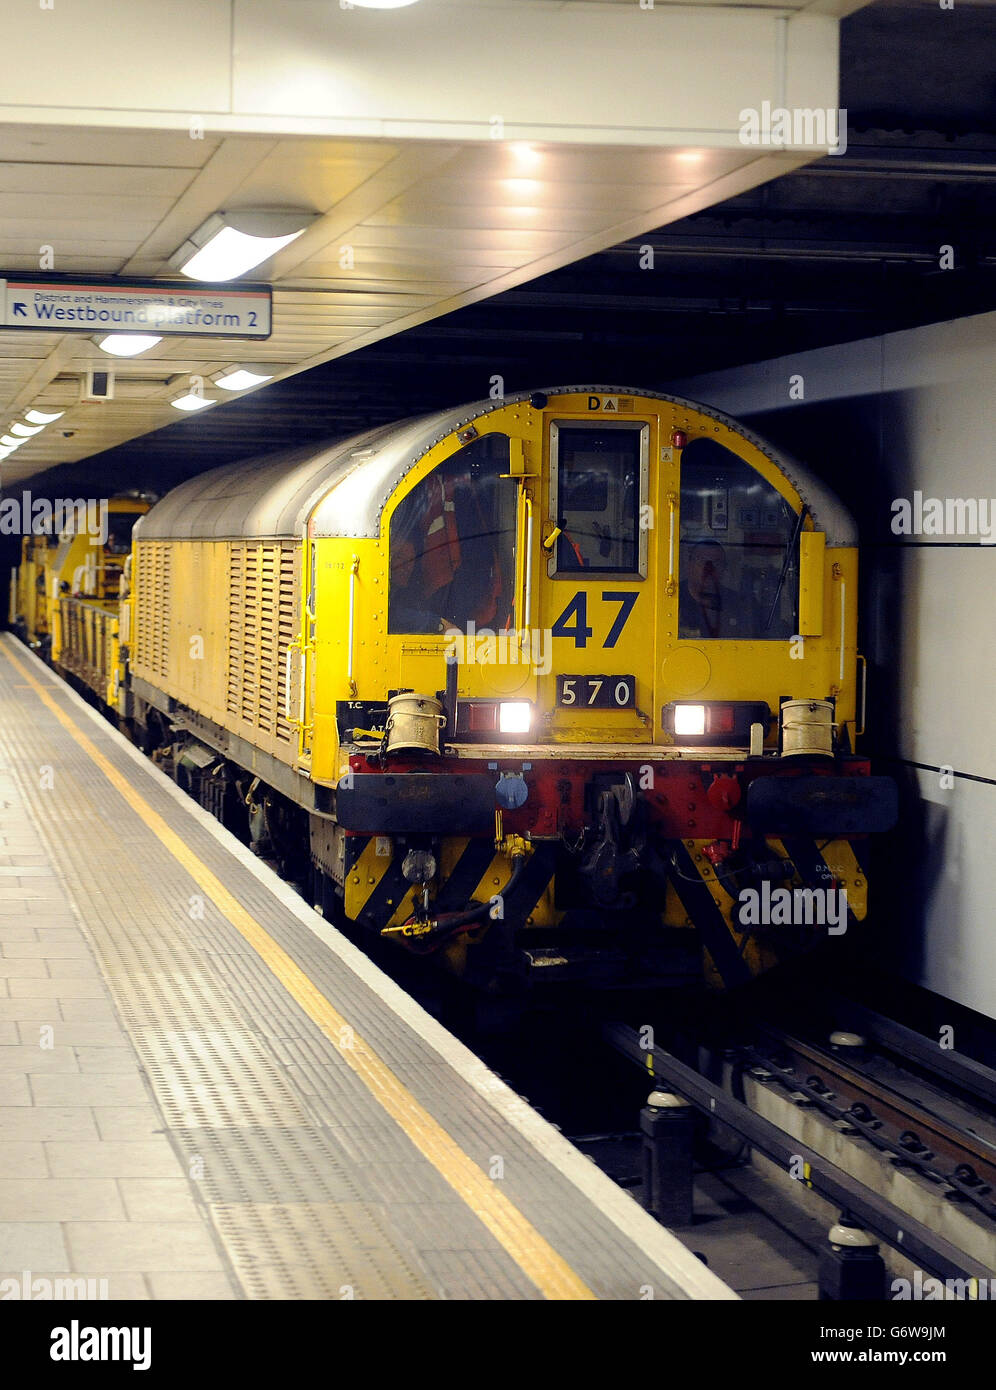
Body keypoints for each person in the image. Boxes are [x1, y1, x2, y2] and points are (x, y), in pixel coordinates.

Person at [678, 539, 760, 639]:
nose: (709, 568)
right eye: (702, 561)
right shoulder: (674, 600)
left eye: (716, 563)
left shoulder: (740, 604)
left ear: (724, 568)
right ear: (689, 564)